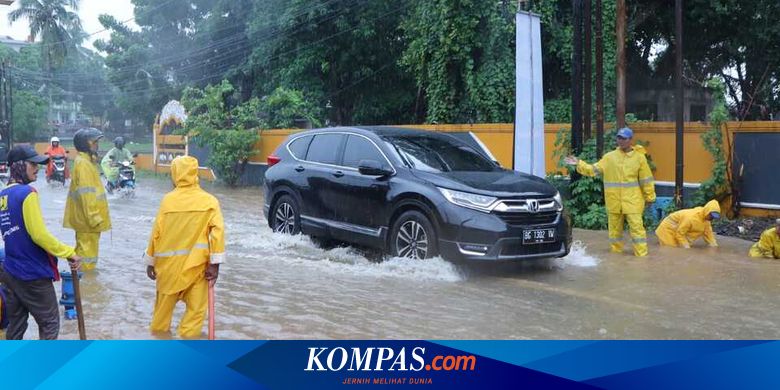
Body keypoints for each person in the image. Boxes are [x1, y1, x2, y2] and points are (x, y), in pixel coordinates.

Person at [0, 145, 81, 339]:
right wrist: (68, 251)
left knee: (17, 325)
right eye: (32, 164)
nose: (38, 168)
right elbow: (38, 235)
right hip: (31, 272)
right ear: (19, 166)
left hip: (9, 271)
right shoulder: (27, 193)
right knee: (50, 323)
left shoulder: (2, 196)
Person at [144, 156, 224, 338]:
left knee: (161, 319)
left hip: (168, 270)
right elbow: (217, 234)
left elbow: (155, 234)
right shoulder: (210, 201)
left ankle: (159, 348)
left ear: (175, 174)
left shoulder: (167, 201)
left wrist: (150, 262)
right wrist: (215, 264)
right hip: (197, 269)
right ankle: (186, 349)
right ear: (195, 174)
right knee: (195, 315)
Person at [565, 127, 656, 256]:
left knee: (637, 229)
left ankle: (641, 256)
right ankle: (616, 255)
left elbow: (646, 180)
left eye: (624, 138)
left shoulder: (639, 158)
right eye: (619, 138)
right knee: (614, 233)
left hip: (633, 201)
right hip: (614, 201)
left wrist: (650, 198)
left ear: (630, 140)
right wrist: (579, 163)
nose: (621, 141)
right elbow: (593, 170)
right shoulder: (609, 157)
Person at [64, 128, 111, 271]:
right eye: (94, 142)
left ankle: (81, 284)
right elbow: (87, 194)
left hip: (86, 222)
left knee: (83, 256)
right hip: (88, 222)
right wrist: (94, 218)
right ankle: (85, 285)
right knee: (87, 260)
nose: (97, 145)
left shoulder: (86, 162)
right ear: (86, 144)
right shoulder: (83, 164)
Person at [655, 199, 721, 248]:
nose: (712, 218)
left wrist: (714, 246)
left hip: (676, 229)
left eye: (714, 217)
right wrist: (686, 248)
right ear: (707, 211)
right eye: (711, 215)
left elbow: (708, 234)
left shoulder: (706, 220)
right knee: (671, 249)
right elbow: (680, 234)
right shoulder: (691, 218)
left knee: (680, 247)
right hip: (667, 230)